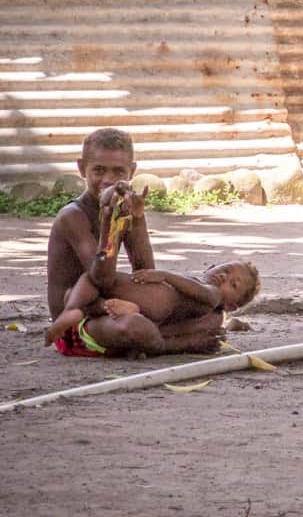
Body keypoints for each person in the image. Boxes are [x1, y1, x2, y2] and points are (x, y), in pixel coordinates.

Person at [43, 127, 156, 357]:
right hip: (76, 325)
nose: (108, 180)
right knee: (131, 327)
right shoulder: (72, 216)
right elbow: (102, 279)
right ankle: (174, 342)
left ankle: (155, 336)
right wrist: (109, 223)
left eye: (118, 172)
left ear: (132, 171)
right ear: (81, 167)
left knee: (203, 315)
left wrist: (137, 218)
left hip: (108, 310)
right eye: (99, 170)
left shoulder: (123, 208)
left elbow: (145, 271)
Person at [45, 260, 259, 359]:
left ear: (231, 306)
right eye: (226, 269)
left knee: (136, 325)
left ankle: (104, 309)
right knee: (94, 280)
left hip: (120, 333)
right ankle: (80, 309)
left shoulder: (211, 314)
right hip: (92, 327)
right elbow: (99, 278)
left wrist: (162, 340)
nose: (224, 277)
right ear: (211, 267)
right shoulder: (181, 285)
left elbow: (168, 334)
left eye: (233, 284)